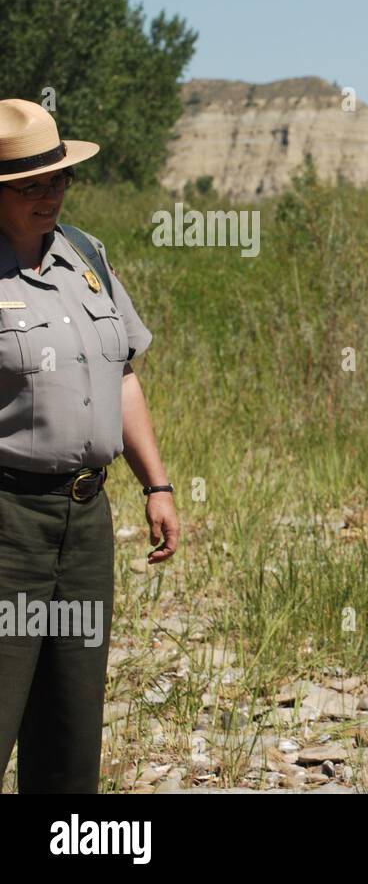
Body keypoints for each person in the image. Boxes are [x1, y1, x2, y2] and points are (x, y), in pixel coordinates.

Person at [0, 99, 178, 793]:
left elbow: (122, 372)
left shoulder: (86, 254)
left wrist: (156, 483)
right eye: (32, 185)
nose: (51, 196)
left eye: (60, 180)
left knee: (71, 731)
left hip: (84, 522)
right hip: (8, 522)